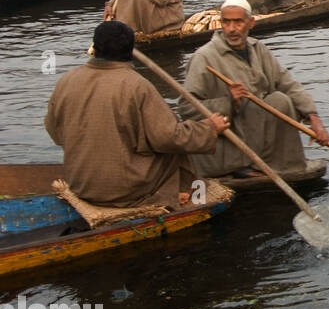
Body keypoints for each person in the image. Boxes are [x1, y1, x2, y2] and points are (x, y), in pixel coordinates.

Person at [44, 20, 228, 208]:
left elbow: (55, 133)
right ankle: (178, 194)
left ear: (95, 47)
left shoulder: (66, 80)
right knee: (176, 152)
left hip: (80, 184)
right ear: (130, 50)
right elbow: (168, 137)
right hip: (124, 190)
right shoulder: (137, 86)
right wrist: (208, 128)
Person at [182, 0, 329, 178]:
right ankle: (247, 166)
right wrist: (229, 101)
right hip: (230, 142)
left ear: (250, 23)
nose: (231, 29)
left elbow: (287, 83)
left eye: (238, 22)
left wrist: (313, 117)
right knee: (272, 102)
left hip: (256, 132)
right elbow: (187, 109)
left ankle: (280, 163)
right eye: (226, 22)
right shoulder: (204, 57)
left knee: (280, 100)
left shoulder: (257, 48)